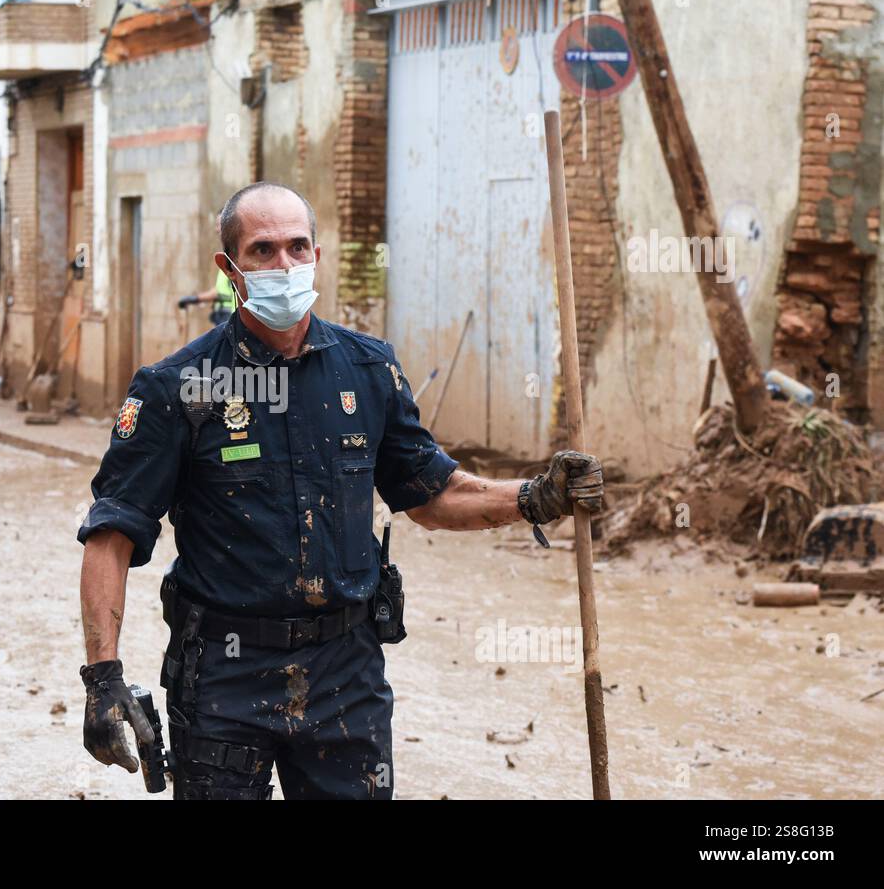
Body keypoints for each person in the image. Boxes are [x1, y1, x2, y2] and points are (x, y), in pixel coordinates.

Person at [75, 182, 605, 800]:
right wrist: (103, 680)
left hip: (346, 676)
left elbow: (432, 494)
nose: (285, 266)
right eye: (263, 250)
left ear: (317, 256)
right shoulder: (178, 388)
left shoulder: (369, 369)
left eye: (298, 247)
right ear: (228, 267)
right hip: (223, 675)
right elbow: (111, 536)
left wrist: (537, 497)